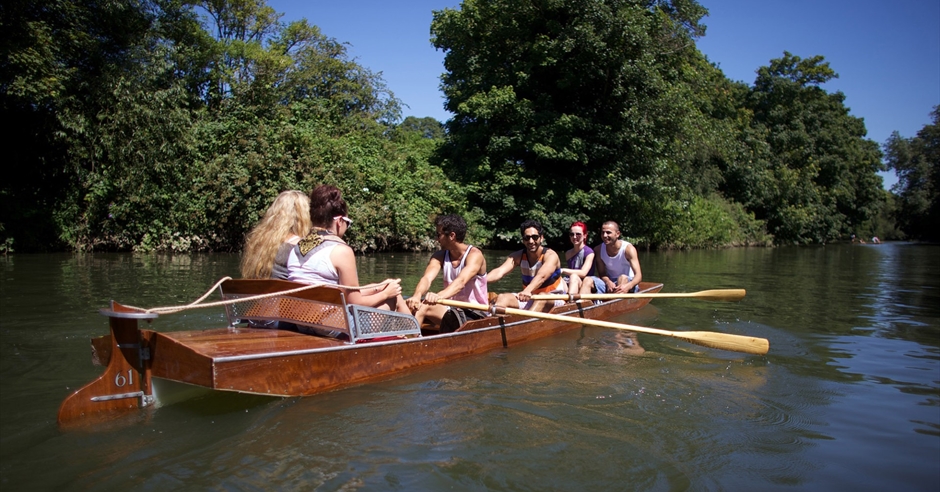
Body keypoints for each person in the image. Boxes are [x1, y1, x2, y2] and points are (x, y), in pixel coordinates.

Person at [286, 185, 409, 314]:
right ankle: (415, 334)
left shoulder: (296, 247)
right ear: (339, 221)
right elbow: (355, 302)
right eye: (348, 223)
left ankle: (413, 334)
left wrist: (379, 288)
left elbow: (340, 291)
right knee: (391, 299)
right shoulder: (341, 251)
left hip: (301, 320)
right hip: (331, 325)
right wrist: (386, 294)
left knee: (384, 288)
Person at [406, 214, 488, 332]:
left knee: (424, 306)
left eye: (439, 234)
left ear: (452, 236)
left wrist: (439, 296)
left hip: (476, 313)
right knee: (411, 306)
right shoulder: (439, 256)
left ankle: (411, 344)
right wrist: (417, 295)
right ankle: (402, 339)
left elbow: (460, 282)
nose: (437, 239)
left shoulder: (475, 255)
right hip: (451, 310)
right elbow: (427, 279)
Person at [486, 219, 567, 312]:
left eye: (535, 237)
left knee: (542, 297)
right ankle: (495, 324)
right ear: (523, 240)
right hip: (529, 297)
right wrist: (481, 280)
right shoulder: (518, 256)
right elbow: (499, 272)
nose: (531, 241)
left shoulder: (551, 255)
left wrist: (527, 290)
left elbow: (542, 276)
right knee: (502, 298)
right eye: (527, 238)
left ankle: (525, 323)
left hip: (554, 298)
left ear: (542, 238)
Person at [240, 190, 312, 279]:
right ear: (304, 216)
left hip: (259, 291)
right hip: (287, 292)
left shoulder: (258, 242)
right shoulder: (300, 246)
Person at [592, 221, 642, 293]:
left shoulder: (628, 249)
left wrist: (628, 286)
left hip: (628, 282)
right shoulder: (598, 250)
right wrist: (608, 282)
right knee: (588, 280)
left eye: (608, 232)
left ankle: (616, 300)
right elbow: (602, 274)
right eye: (603, 233)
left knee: (622, 277)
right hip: (610, 282)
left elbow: (638, 276)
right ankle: (582, 303)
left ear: (617, 234)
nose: (605, 235)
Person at [560, 221, 601, 295]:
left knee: (574, 276)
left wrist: (563, 270)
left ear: (585, 235)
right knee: (558, 279)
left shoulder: (589, 252)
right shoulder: (568, 253)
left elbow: (583, 273)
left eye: (578, 234)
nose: (575, 237)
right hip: (571, 282)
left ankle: (570, 302)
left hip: (585, 284)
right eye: (572, 234)